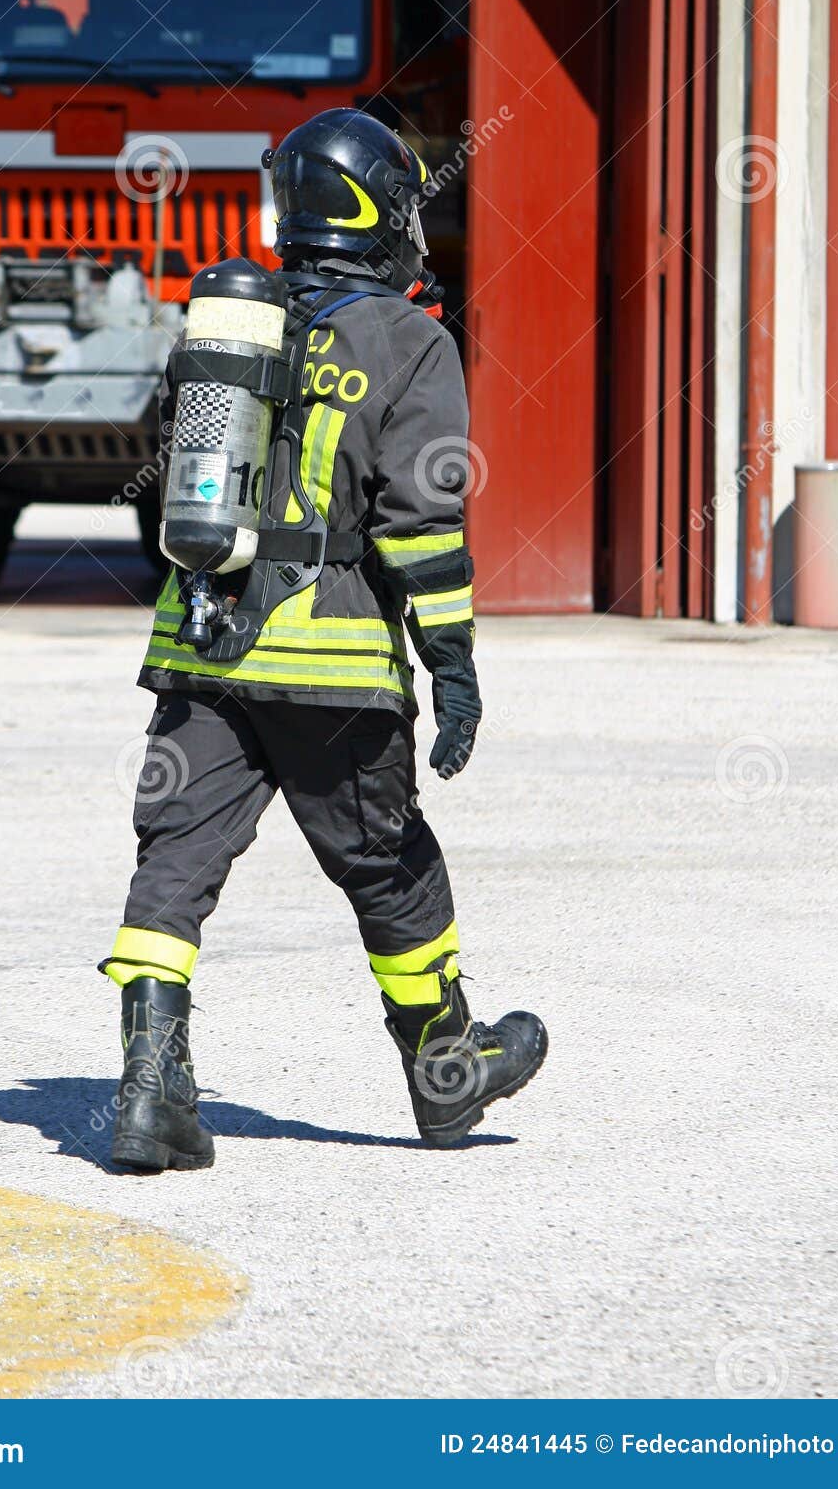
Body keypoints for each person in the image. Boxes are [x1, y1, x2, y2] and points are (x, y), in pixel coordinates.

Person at [100, 109, 547, 1172]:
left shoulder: (225, 326)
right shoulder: (410, 338)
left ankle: (150, 1093)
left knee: (175, 861)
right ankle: (447, 1076)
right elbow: (420, 522)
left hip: (202, 649)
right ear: (384, 210)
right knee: (389, 866)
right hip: (331, 662)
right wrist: (452, 663)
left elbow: (169, 466)